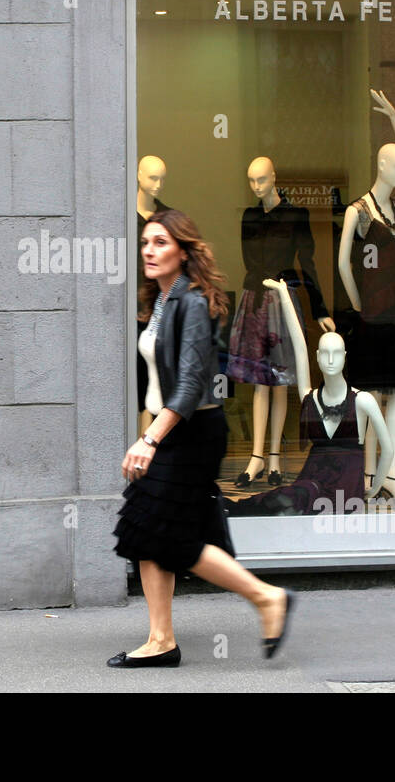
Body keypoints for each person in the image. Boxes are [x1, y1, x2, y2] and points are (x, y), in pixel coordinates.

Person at [109, 209, 294, 668]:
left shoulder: (190, 302)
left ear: (183, 251)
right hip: (168, 429)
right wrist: (150, 431)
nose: (149, 251)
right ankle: (160, 639)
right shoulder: (161, 300)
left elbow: (191, 386)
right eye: (146, 243)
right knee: (143, 528)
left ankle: (268, 597)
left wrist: (148, 440)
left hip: (192, 435)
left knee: (172, 539)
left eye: (160, 243)